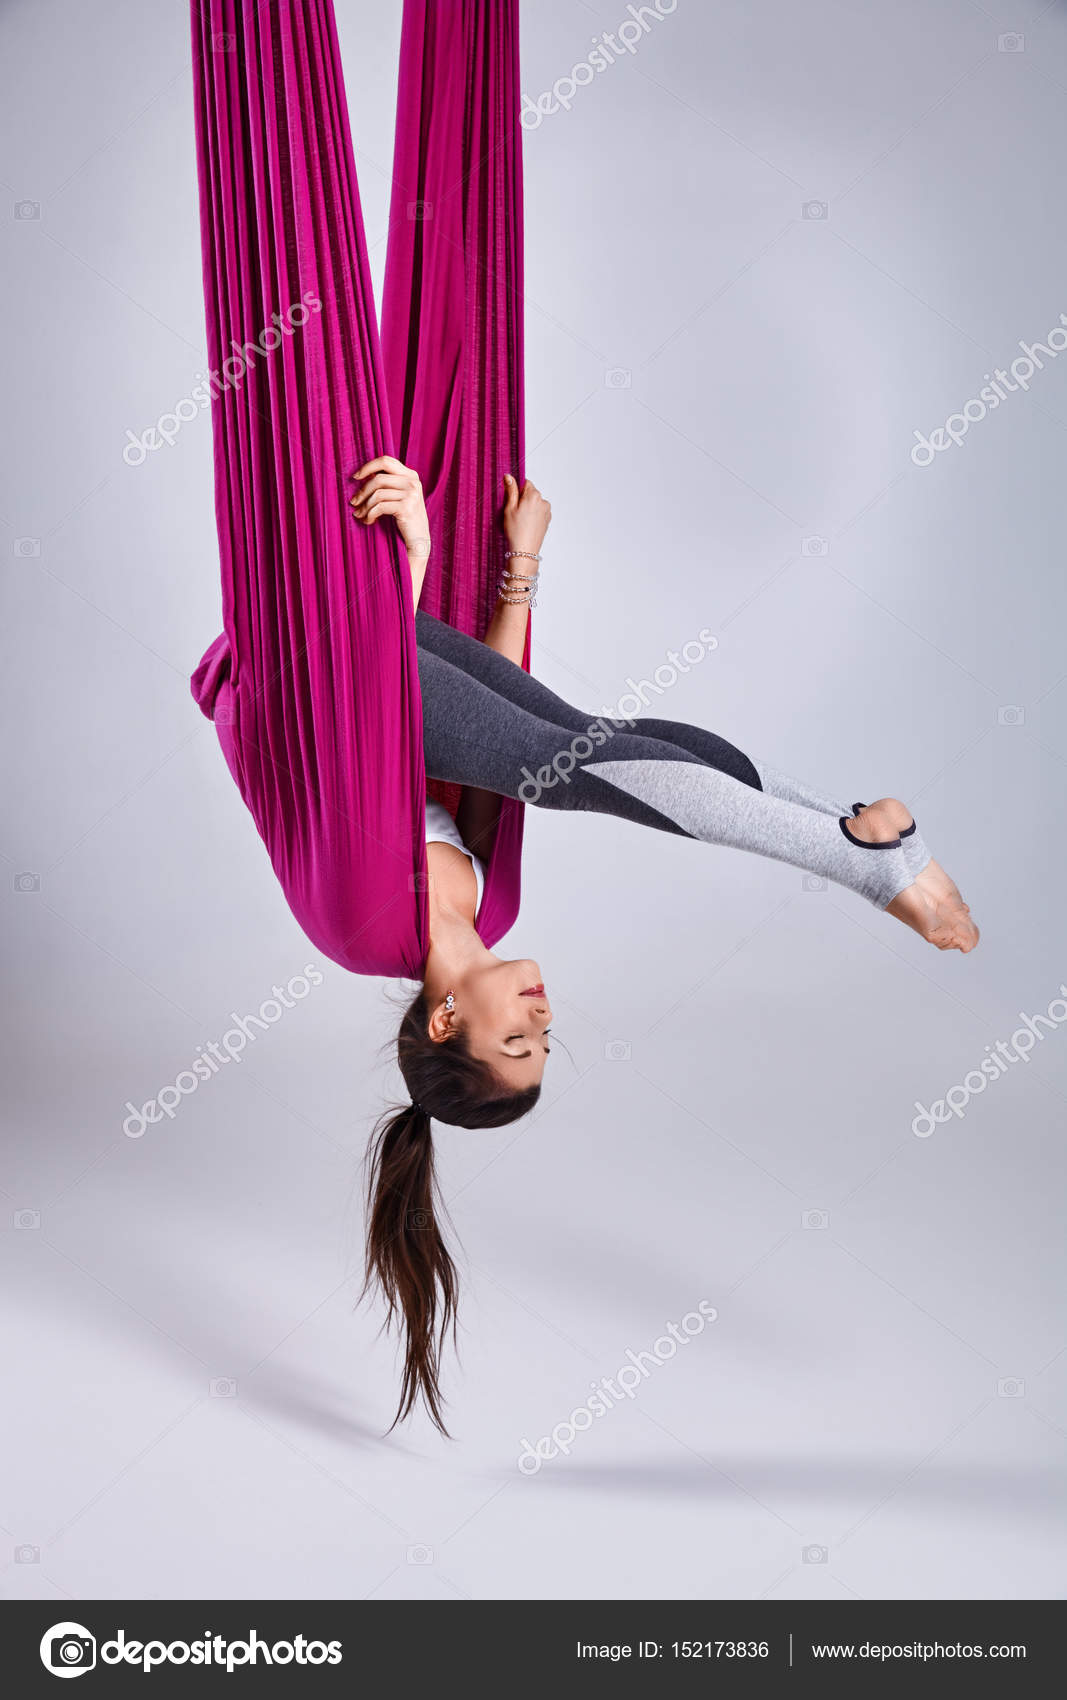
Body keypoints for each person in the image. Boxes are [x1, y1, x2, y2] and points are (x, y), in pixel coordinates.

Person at [353, 456, 978, 1431]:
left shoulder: (359, 918)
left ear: (444, 1018)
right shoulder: (484, 901)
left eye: (516, 1040)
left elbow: (352, 726)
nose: (542, 1019)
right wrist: (518, 563)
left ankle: (855, 855)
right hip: (406, 646)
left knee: (572, 763)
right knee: (585, 742)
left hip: (359, 655)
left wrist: (406, 563)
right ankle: (851, 830)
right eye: (543, 1042)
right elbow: (505, 733)